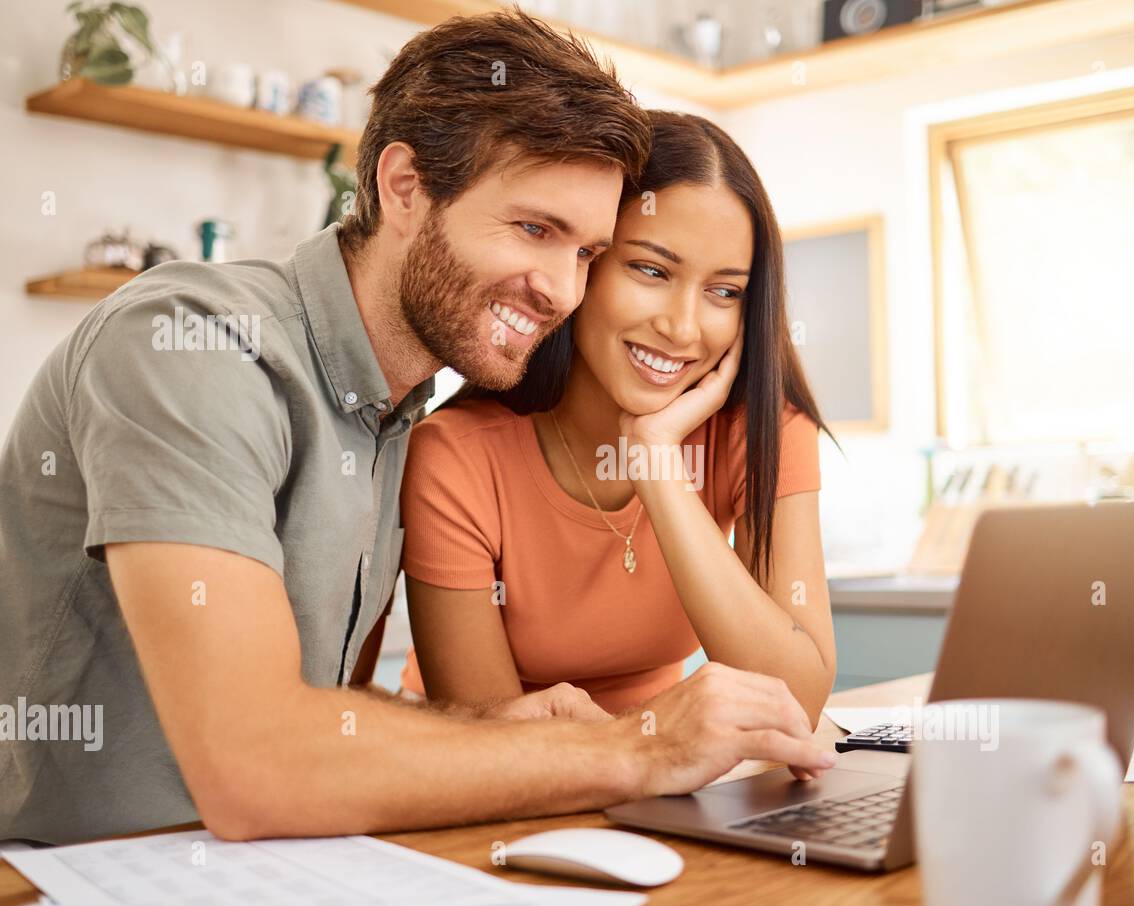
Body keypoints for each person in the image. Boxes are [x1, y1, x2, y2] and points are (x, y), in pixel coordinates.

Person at [0, 11, 834, 847]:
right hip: (61, 883)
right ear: (404, 186)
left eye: (586, 254)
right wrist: (630, 744)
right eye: (535, 228)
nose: (560, 289)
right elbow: (254, 762)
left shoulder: (392, 417)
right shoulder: (195, 345)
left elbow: (319, 715)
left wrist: (507, 734)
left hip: (268, 870)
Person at [399, 111, 836, 738]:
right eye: (652, 271)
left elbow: (798, 701)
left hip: (669, 773)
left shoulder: (765, 431)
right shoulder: (456, 456)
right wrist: (652, 733)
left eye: (725, 291)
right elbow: (492, 748)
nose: (683, 328)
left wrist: (657, 463)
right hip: (490, 804)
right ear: (584, 265)